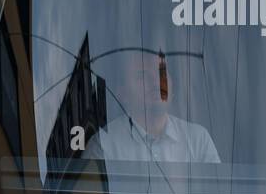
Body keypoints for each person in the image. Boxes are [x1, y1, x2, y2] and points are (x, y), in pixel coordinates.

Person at [86, 49, 221, 164]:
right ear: (122, 92)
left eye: (162, 73)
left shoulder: (198, 140)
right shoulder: (103, 145)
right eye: (142, 75)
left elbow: (219, 193)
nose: (156, 82)